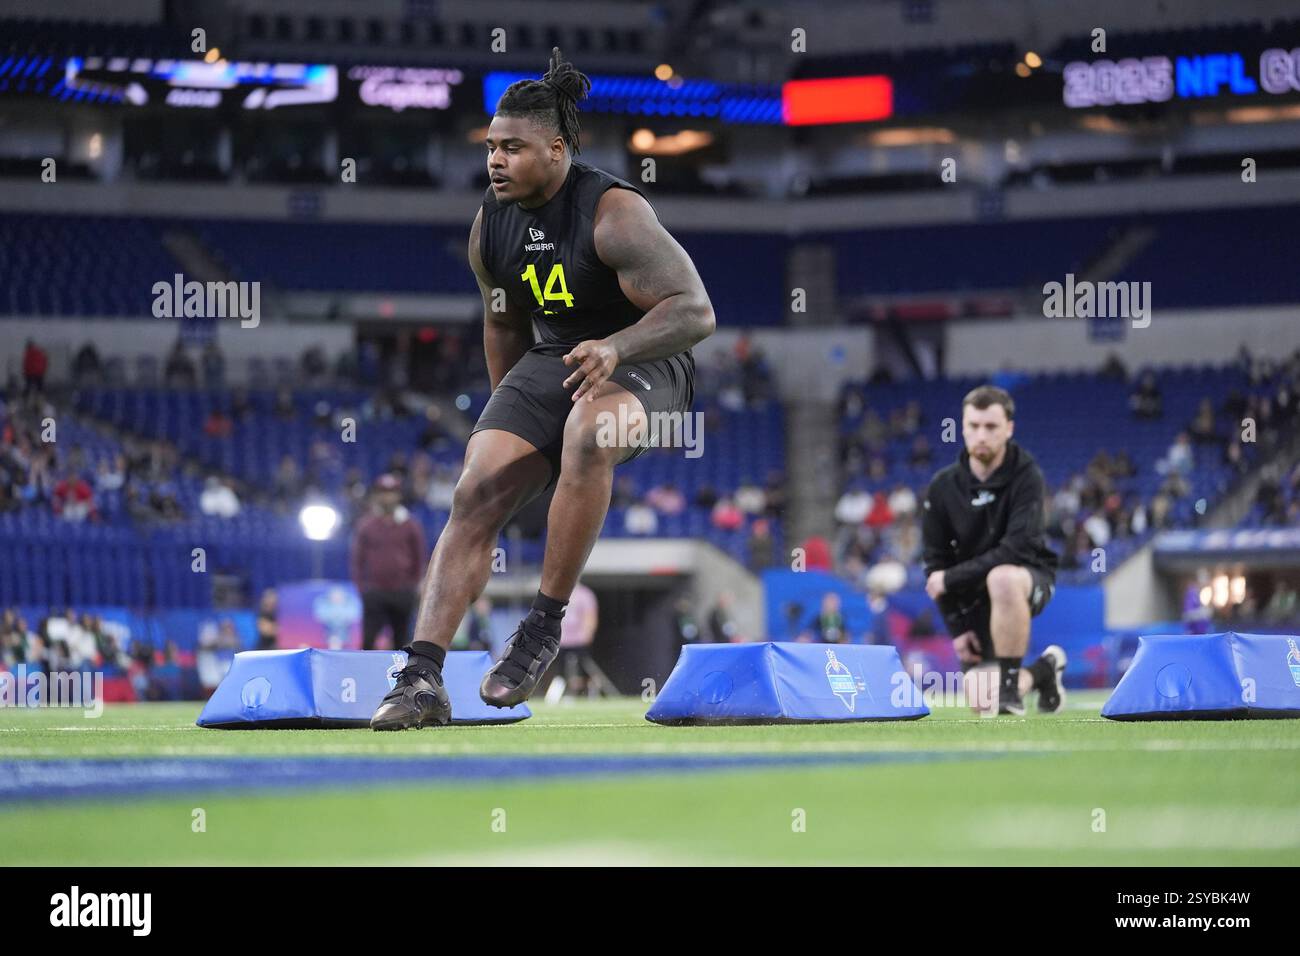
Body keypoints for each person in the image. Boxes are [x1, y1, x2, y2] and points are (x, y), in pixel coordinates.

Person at [372, 49, 714, 730]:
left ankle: (541, 627)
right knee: (475, 487)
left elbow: (696, 312)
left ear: (556, 150)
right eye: (491, 147)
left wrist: (617, 346)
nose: (495, 160)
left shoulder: (614, 213)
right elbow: (502, 323)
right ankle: (421, 679)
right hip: (555, 358)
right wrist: (514, 427)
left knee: (589, 431)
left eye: (514, 148)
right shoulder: (489, 226)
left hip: (646, 361)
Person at [920, 385, 1067, 716]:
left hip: (1028, 577)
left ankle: (1010, 692)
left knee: (1002, 578)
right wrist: (958, 631)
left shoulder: (1027, 475)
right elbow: (935, 565)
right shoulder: (942, 488)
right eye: (973, 426)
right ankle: (1042, 672)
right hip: (972, 596)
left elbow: (1015, 549)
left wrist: (950, 578)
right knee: (981, 703)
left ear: (1009, 429)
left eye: (991, 427)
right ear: (962, 427)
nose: (981, 435)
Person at [350, 474, 427, 651]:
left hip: (402, 593)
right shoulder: (366, 525)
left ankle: (401, 679)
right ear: (377, 495)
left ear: (398, 495)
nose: (387, 497)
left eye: (391, 492)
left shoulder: (410, 525)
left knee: (402, 643)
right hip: (375, 592)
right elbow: (357, 560)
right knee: (368, 642)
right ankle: (365, 676)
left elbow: (419, 557)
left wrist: (412, 586)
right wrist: (363, 588)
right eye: (383, 492)